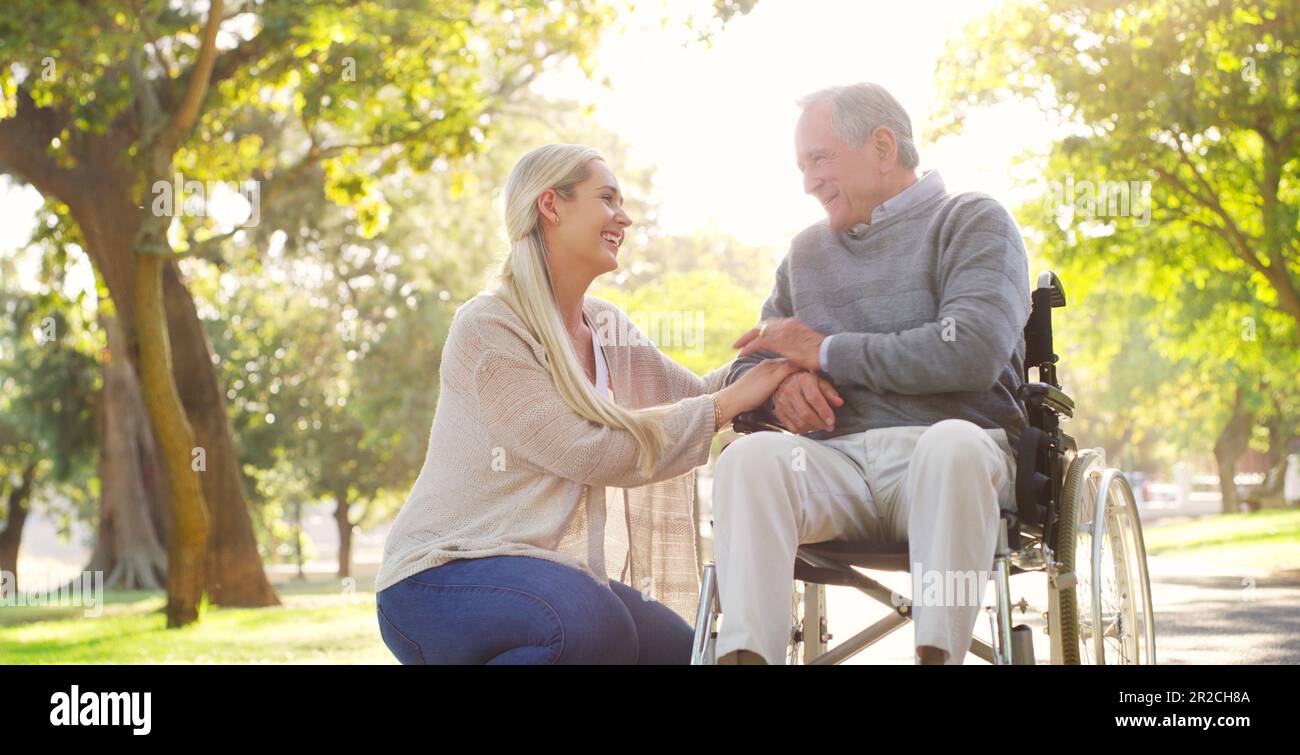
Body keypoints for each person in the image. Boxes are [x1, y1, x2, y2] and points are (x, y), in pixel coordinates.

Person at [373, 143, 797, 664]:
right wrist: (729, 402)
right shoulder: (490, 327)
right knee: (594, 624)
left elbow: (695, 397)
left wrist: (778, 367)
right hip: (439, 576)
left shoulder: (606, 327)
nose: (626, 217)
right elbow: (583, 450)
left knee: (679, 652)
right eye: (607, 198)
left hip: (542, 576)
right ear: (551, 206)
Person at [712, 83, 1032, 665]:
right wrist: (783, 385)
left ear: (883, 146)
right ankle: (747, 658)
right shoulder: (806, 252)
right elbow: (754, 359)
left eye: (819, 158)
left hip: (947, 458)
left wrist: (827, 352)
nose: (808, 181)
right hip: (834, 466)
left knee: (952, 446)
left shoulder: (973, 220)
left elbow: (971, 352)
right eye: (802, 165)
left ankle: (936, 656)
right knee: (747, 459)